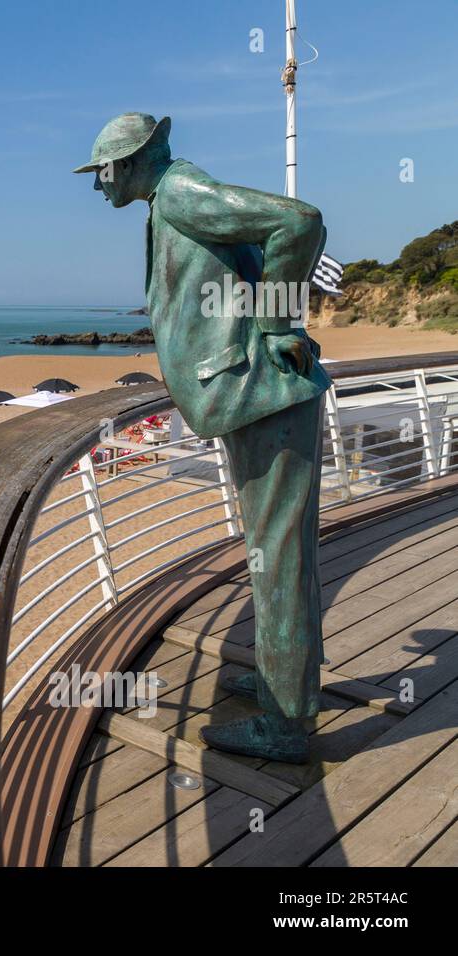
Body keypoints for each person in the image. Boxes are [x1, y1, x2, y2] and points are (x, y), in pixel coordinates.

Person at [74, 113, 330, 763]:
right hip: (255, 402)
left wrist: (277, 324)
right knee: (277, 555)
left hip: (264, 400)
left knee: (280, 560)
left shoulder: (182, 193)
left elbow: (298, 221)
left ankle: (287, 725)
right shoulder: (172, 200)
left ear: (132, 162)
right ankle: (283, 684)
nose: (97, 185)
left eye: (102, 171)